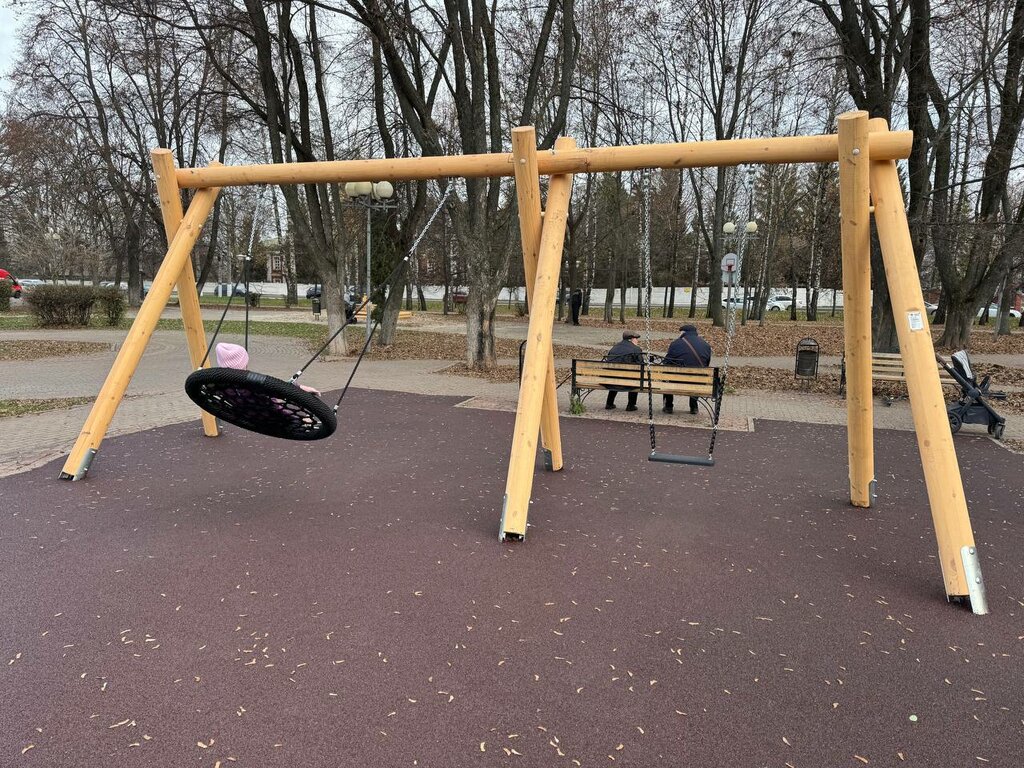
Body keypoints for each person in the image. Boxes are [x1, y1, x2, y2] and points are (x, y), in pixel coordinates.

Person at [215, 342, 321, 396]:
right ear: (244, 363)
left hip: (240, 415)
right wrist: (300, 388)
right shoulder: (252, 385)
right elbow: (278, 389)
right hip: (274, 419)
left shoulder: (218, 385)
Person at [662, 324, 712, 414]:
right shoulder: (706, 345)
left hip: (677, 380)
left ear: (683, 332)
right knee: (698, 377)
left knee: (667, 377)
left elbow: (667, 361)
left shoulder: (676, 343)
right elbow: (707, 363)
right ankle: (694, 407)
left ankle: (668, 406)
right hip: (699, 380)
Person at [603, 330, 644, 410]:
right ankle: (631, 405)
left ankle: (609, 403)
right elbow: (641, 365)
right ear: (630, 339)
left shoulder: (614, 348)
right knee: (635, 378)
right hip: (628, 383)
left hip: (610, 381)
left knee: (616, 376)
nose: (637, 340)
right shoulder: (636, 349)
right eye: (636, 338)